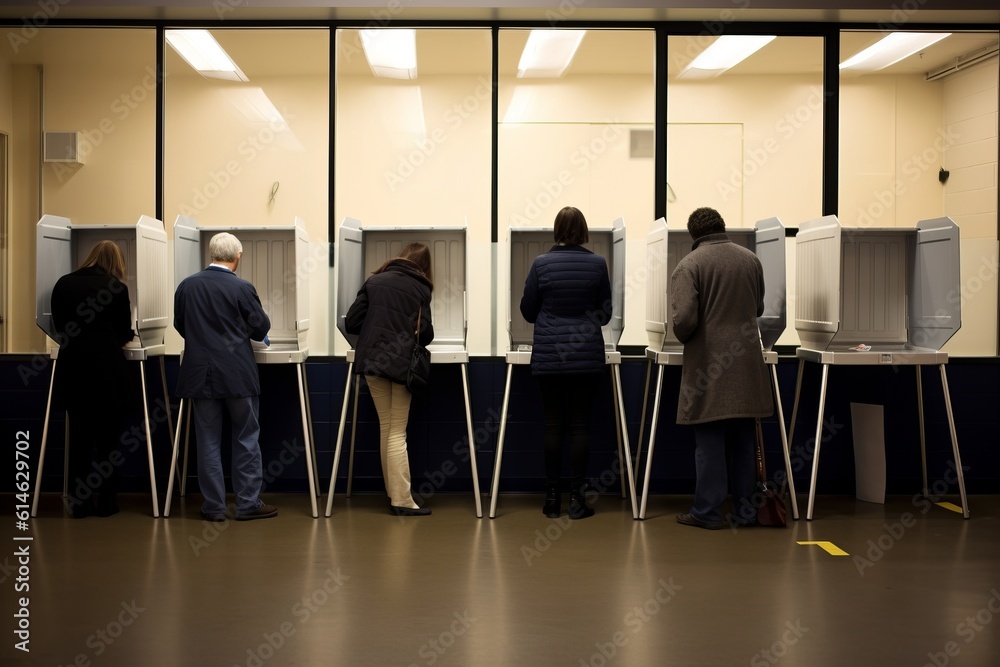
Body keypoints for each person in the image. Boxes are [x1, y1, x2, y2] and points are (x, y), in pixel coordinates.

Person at [670, 206, 774, 530]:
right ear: (721, 226)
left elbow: (684, 320)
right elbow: (758, 307)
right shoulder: (750, 260)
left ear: (694, 235)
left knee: (710, 442)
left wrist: (684, 333)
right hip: (745, 361)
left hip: (709, 365)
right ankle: (745, 513)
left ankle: (708, 512)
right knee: (744, 441)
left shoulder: (689, 265)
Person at [173, 232, 276, 522]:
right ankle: (247, 504)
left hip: (198, 374)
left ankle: (214, 508)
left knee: (207, 440)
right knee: (246, 438)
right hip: (237, 374)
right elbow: (260, 328)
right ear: (238, 256)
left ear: (211, 255)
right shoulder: (242, 287)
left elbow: (180, 324)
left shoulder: (186, 286)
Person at [520, 206, 612, 519]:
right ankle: (577, 501)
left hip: (549, 354)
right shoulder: (598, 263)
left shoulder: (540, 264)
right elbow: (606, 314)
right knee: (581, 426)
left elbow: (528, 311)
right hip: (586, 355)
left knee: (554, 425)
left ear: (557, 230)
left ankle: (550, 500)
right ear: (584, 230)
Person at [345, 243, 435, 516]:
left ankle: (392, 492)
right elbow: (426, 333)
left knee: (387, 428)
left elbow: (352, 322)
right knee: (397, 430)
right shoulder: (421, 288)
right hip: (400, 363)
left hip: (372, 362)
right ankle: (403, 500)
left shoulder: (375, 280)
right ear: (423, 265)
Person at [50, 241, 137, 518]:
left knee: (78, 439)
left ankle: (80, 504)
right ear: (115, 262)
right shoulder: (117, 288)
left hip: (74, 368)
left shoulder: (63, 283)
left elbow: (60, 326)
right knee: (108, 441)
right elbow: (125, 332)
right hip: (107, 371)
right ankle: (107, 504)